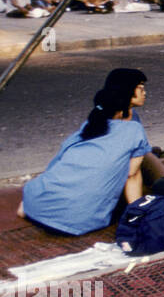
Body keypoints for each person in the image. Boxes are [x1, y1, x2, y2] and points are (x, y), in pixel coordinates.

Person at [18, 87, 149, 235]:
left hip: (35, 204)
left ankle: (33, 210)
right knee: (129, 182)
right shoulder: (133, 129)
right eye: (140, 88)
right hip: (78, 222)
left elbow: (55, 164)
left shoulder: (88, 127)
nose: (144, 92)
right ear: (122, 109)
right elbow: (131, 174)